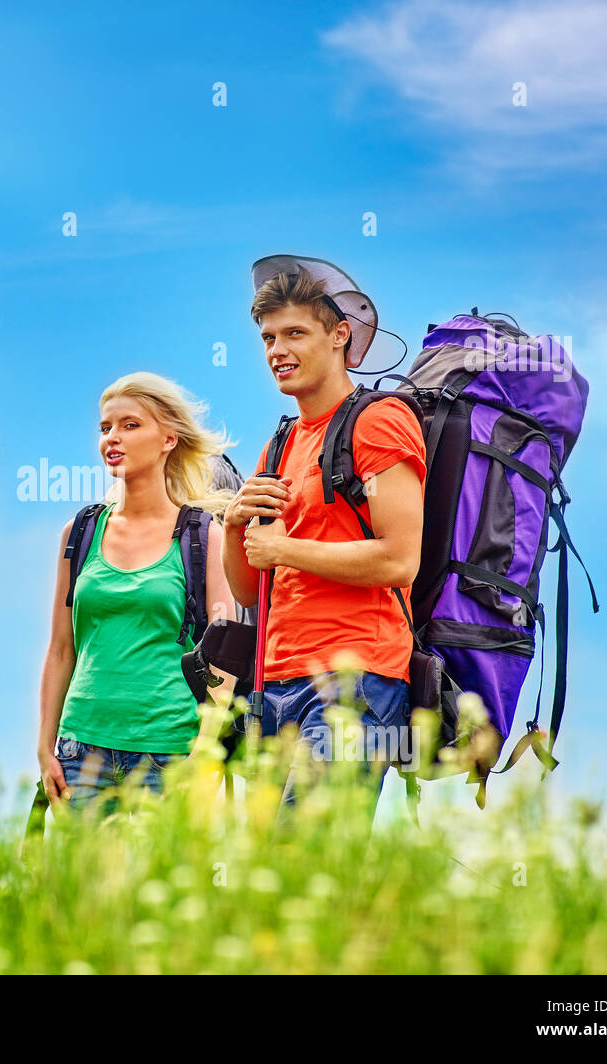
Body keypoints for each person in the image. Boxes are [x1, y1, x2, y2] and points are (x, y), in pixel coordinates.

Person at [221, 258, 426, 814]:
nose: (277, 351)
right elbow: (248, 590)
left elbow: (399, 560)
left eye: (294, 334)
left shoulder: (378, 421)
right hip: (275, 682)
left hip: (355, 679)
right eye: (268, 338)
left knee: (304, 852)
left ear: (340, 337)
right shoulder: (281, 443)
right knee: (268, 882)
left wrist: (283, 548)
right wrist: (234, 527)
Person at [38, 372, 237, 814]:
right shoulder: (81, 532)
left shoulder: (204, 536)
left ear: (168, 438)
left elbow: (224, 657)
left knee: (163, 884)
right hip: (81, 751)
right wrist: (45, 746)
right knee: (83, 885)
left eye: (130, 425)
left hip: (170, 753)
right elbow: (60, 650)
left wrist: (206, 753)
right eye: (105, 427)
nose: (113, 437)